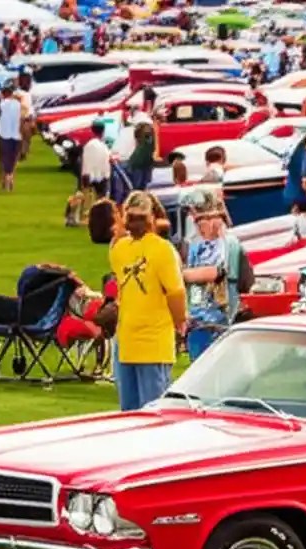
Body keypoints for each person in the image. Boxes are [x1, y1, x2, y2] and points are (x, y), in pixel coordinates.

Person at [109, 191, 186, 411]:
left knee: (143, 411)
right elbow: (175, 292)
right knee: (140, 412)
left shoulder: (127, 249)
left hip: (147, 341)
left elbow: (175, 292)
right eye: (131, 217)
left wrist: (179, 321)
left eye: (139, 218)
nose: (135, 223)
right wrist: (180, 322)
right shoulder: (159, 250)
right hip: (136, 340)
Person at [181, 190, 233, 360]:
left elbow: (214, 272)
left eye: (201, 221)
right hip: (197, 320)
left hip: (217, 319)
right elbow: (194, 281)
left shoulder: (224, 243)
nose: (198, 227)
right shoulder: (197, 246)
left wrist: (181, 274)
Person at [80, 120, 112, 220]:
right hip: (102, 176)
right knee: (101, 199)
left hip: (88, 175)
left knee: (88, 198)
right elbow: (106, 161)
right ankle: (99, 216)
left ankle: (87, 216)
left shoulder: (88, 145)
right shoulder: (103, 146)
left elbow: (85, 161)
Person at [0, 85, 22, 192]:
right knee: (13, 158)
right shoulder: (18, 104)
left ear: (3, 94)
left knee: (3, 159)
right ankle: (11, 177)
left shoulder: (1, 104)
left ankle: (5, 180)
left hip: (3, 135)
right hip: (16, 135)